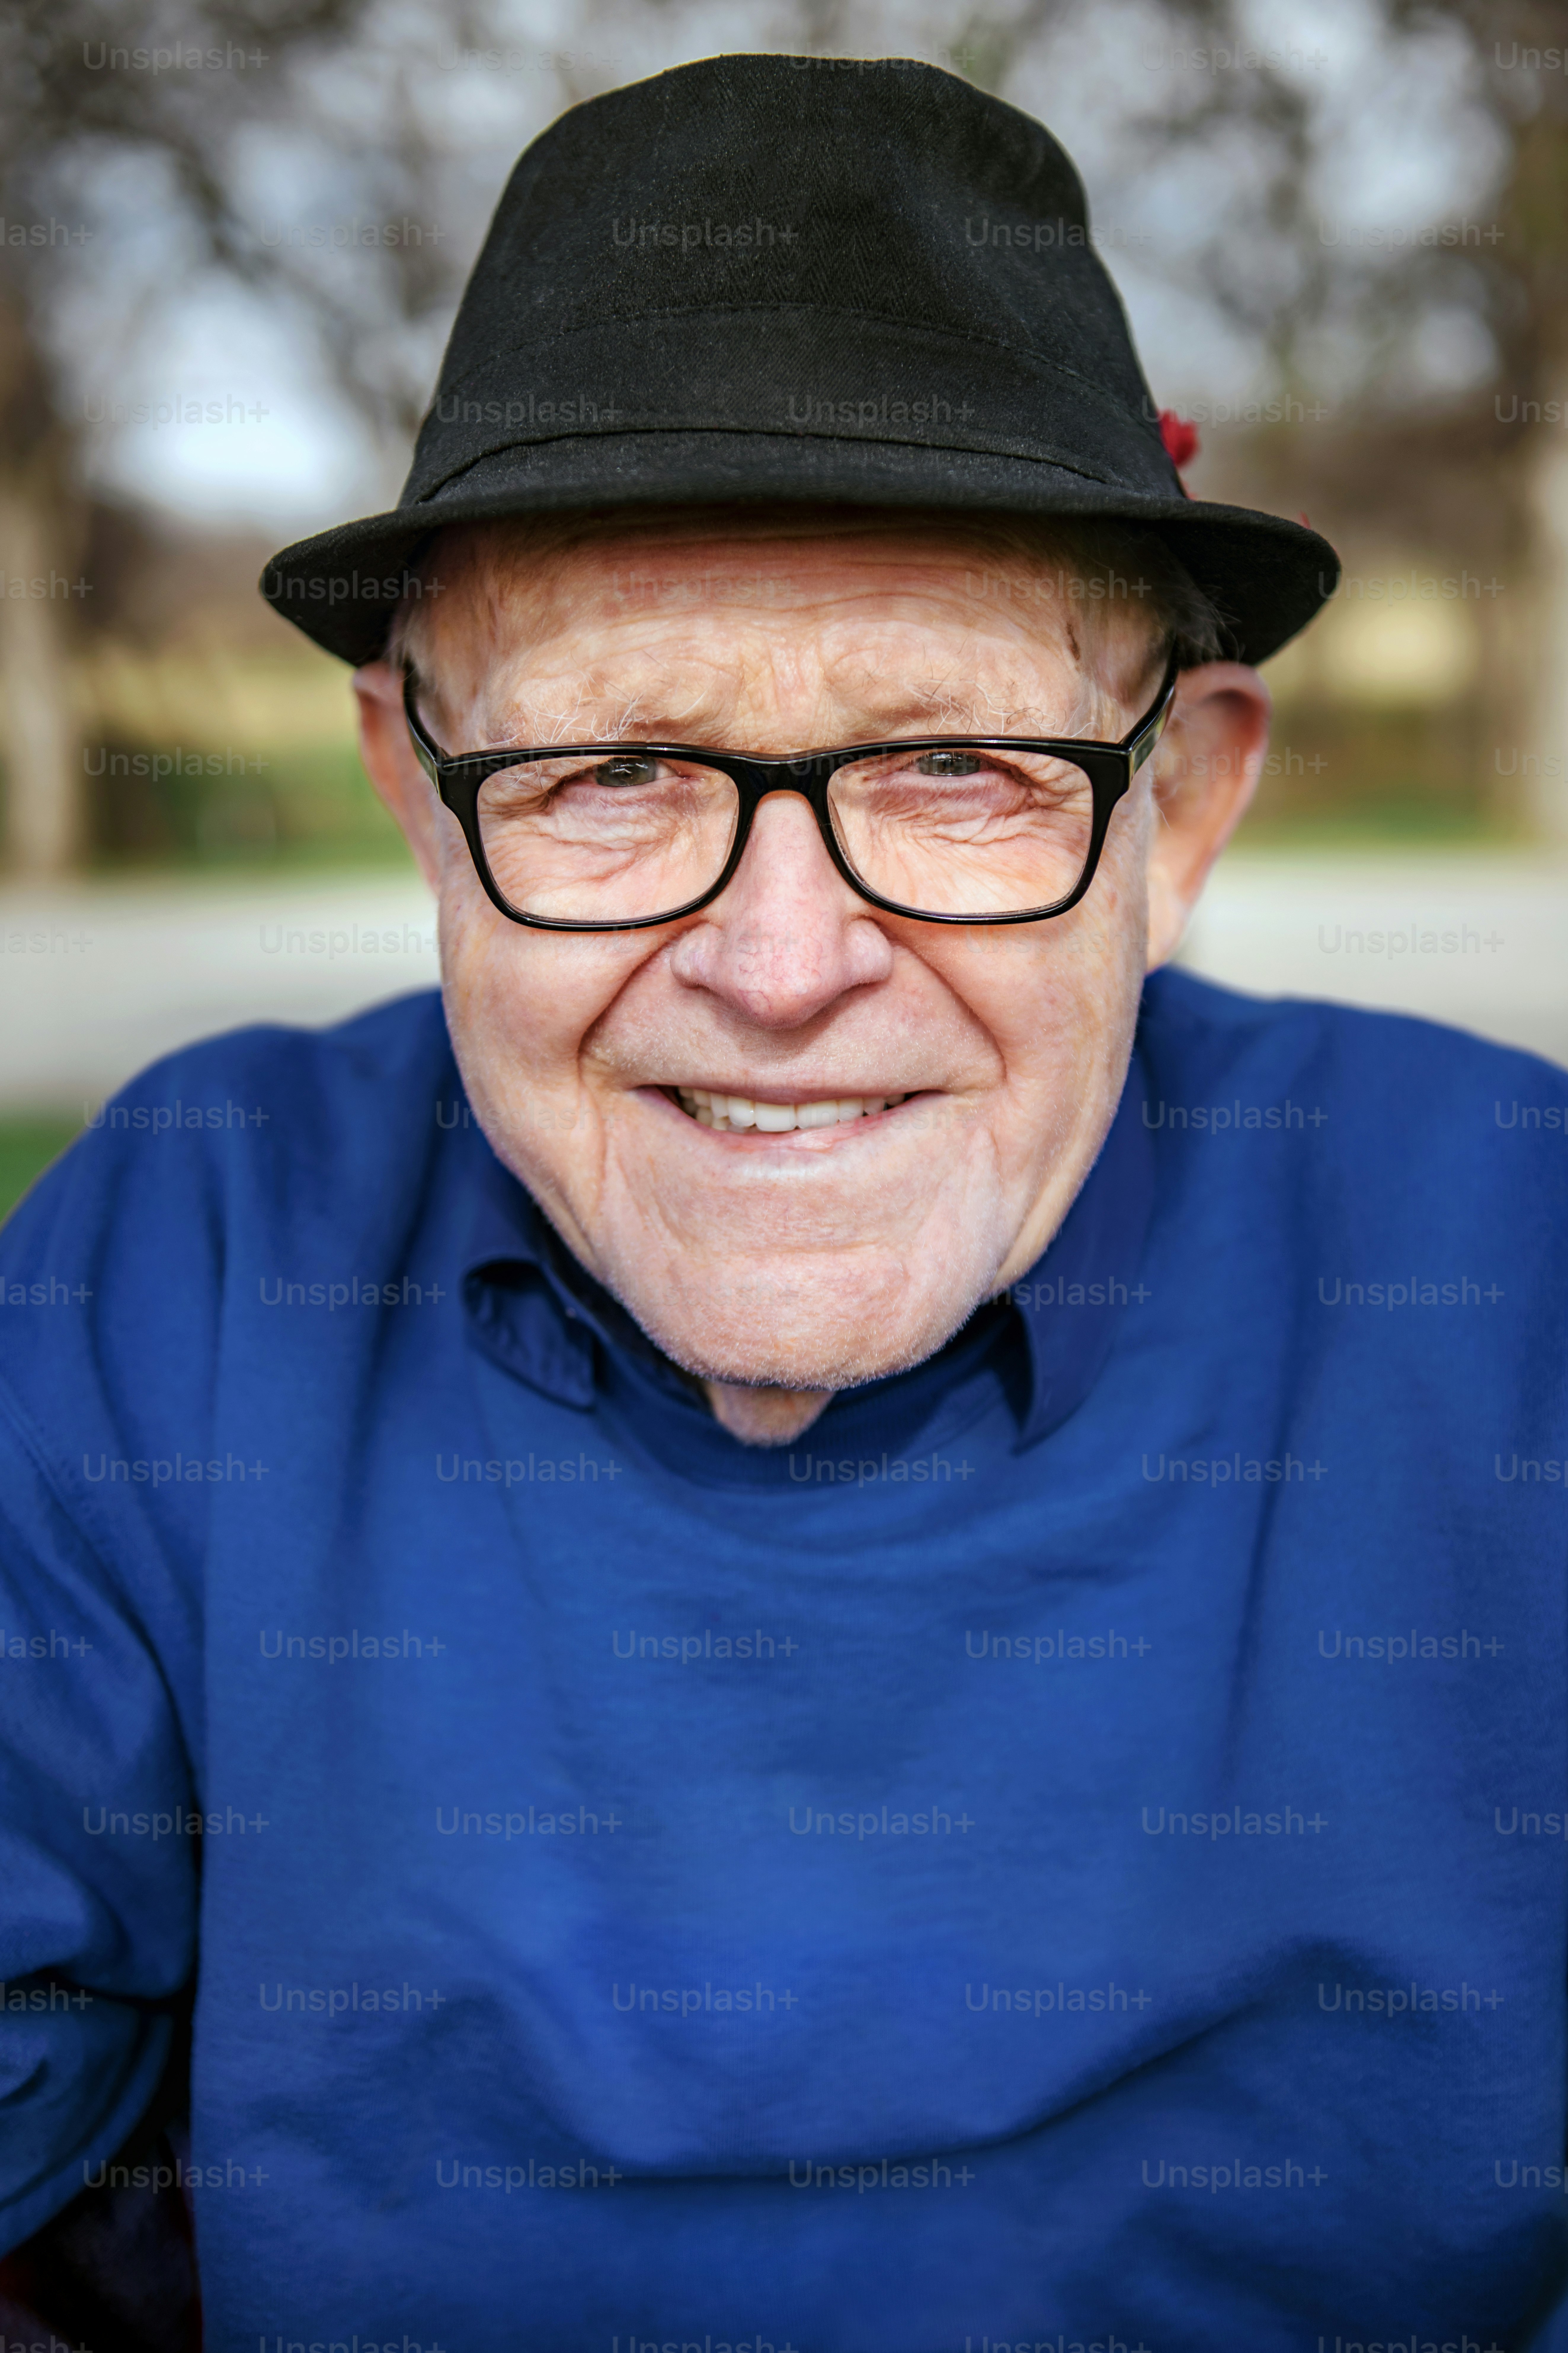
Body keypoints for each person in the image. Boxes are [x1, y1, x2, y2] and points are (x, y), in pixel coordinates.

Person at [2, 51, 1564, 2353]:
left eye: (950, 764)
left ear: (1182, 814)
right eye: (610, 769)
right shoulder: (190, 1258)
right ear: (422, 808)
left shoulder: (1512, 1268)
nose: (778, 965)